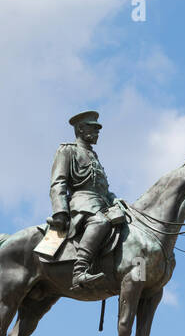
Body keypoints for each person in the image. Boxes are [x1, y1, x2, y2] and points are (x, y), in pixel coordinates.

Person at [44, 110, 129, 287]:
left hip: (101, 203)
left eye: (98, 129)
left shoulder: (94, 156)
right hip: (82, 203)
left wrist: (114, 200)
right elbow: (58, 182)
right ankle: (79, 270)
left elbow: (102, 188)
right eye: (94, 128)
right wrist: (60, 212)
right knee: (100, 222)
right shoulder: (68, 150)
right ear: (81, 129)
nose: (98, 132)